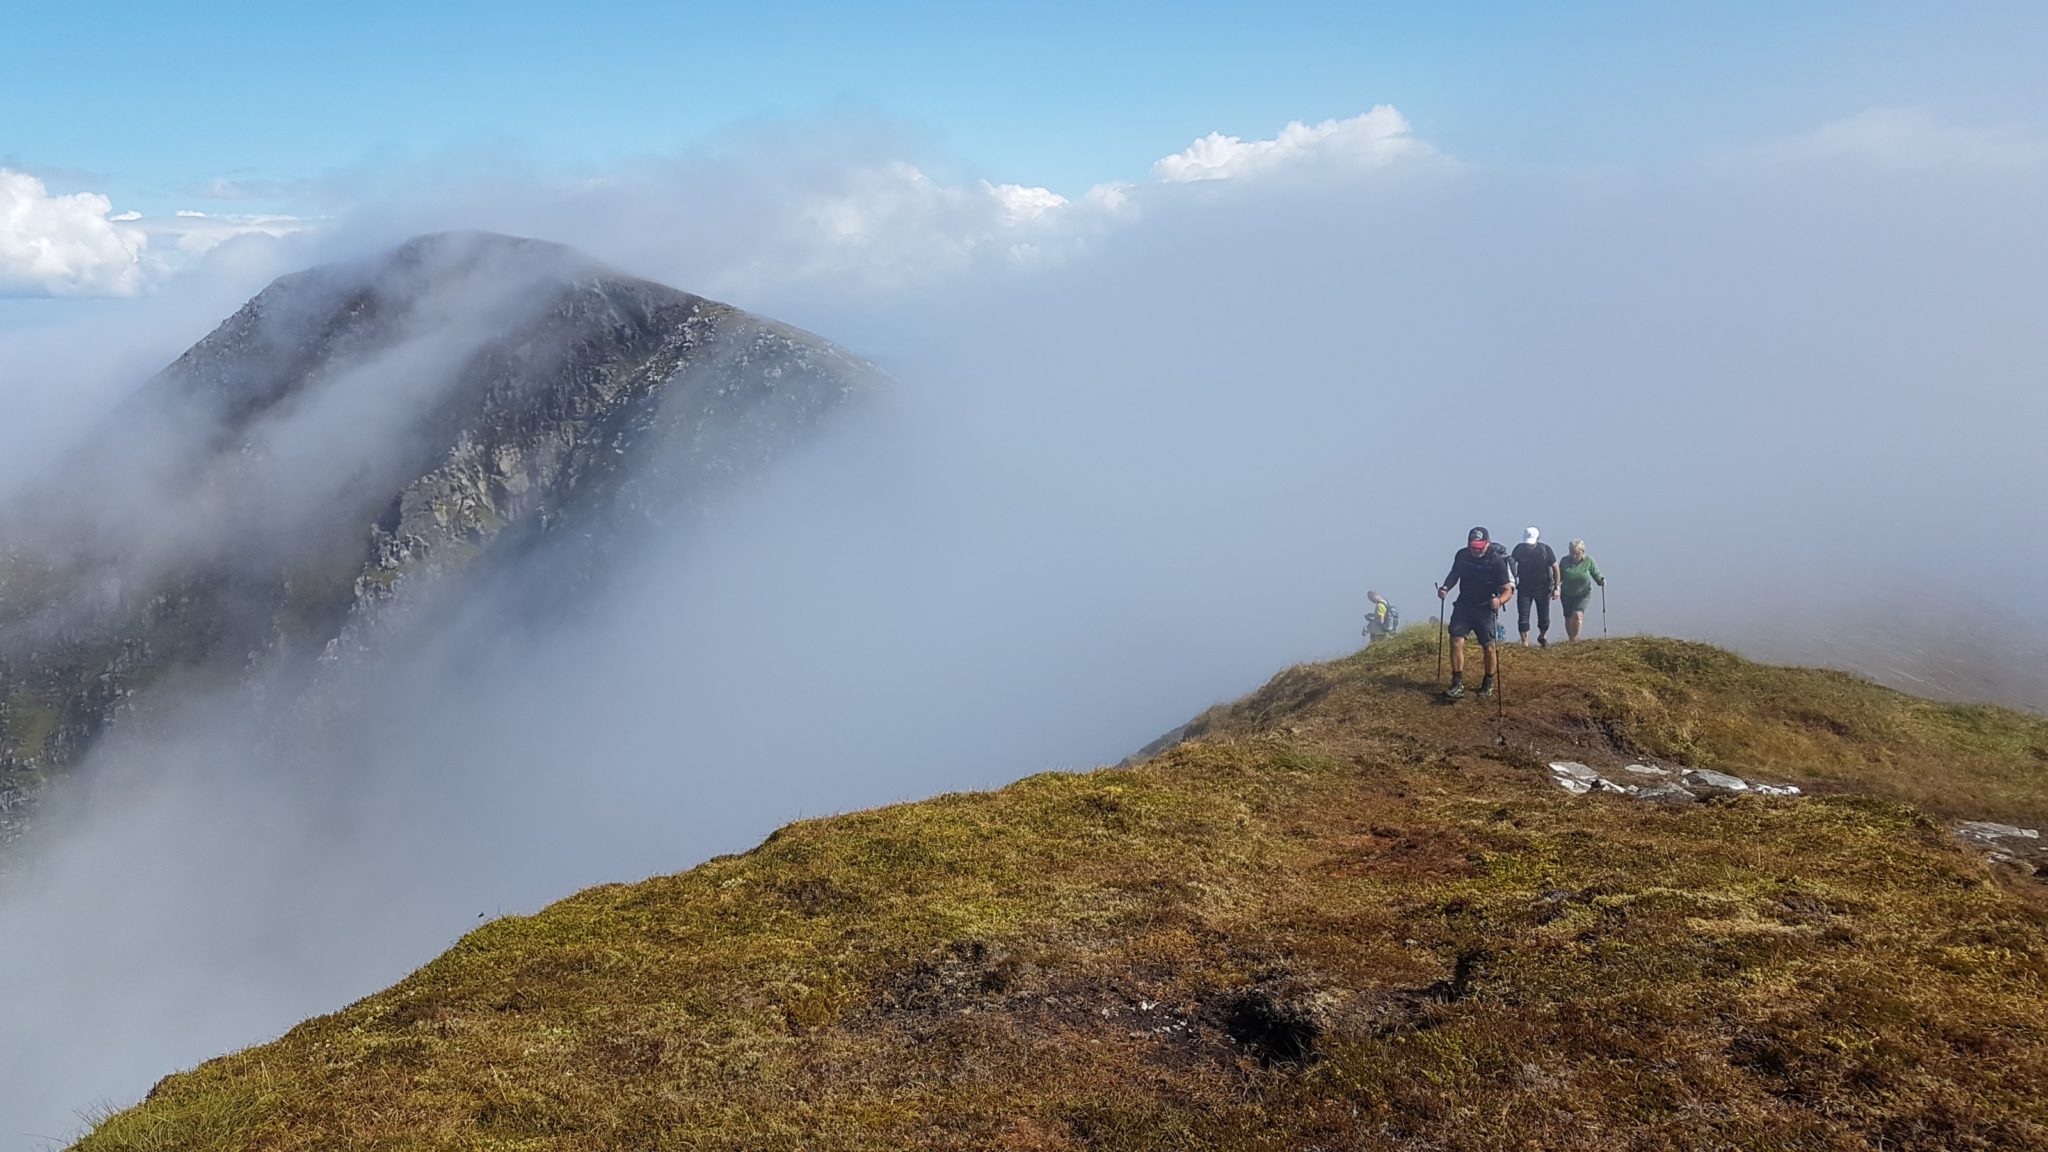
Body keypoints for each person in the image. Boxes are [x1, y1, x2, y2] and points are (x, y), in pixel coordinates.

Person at [1437, 526, 1514, 699]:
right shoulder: (1462, 556)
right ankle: (1457, 683)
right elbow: (1454, 574)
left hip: (1485, 608)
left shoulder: (1496, 562)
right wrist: (1445, 588)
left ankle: (1488, 682)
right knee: (1455, 640)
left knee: (1489, 646)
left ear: (1487, 544)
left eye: (1479, 547)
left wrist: (1499, 601)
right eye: (1473, 547)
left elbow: (1507, 590)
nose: (1476, 551)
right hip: (1464, 605)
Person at [1509, 526, 1561, 648]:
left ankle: (1542, 636)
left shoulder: (1546, 550)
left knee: (1544, 617)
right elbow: (1510, 565)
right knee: (1523, 616)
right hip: (1524, 587)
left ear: (1538, 539)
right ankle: (1524, 643)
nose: (1529, 546)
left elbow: (1555, 568)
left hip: (1543, 588)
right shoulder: (1518, 549)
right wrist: (1511, 583)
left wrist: (1556, 587)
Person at [1559, 538, 1606, 641]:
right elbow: (1559, 576)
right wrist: (1555, 586)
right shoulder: (1564, 561)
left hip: (1583, 593)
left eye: (1576, 553)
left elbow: (1596, 573)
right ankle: (1571, 638)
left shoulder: (1589, 561)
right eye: (1571, 552)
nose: (1573, 556)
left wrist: (1600, 580)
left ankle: (1575, 639)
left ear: (1582, 552)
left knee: (1578, 615)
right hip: (1567, 593)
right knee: (1568, 617)